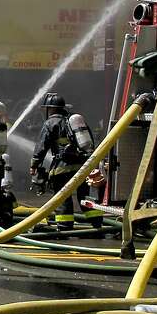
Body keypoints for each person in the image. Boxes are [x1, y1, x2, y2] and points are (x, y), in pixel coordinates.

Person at [30, 92, 99, 230]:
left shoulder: (50, 123)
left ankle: (64, 225)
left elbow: (41, 146)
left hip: (62, 168)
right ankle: (97, 223)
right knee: (84, 197)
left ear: (51, 108)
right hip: (82, 167)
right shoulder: (73, 120)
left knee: (62, 196)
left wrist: (34, 164)